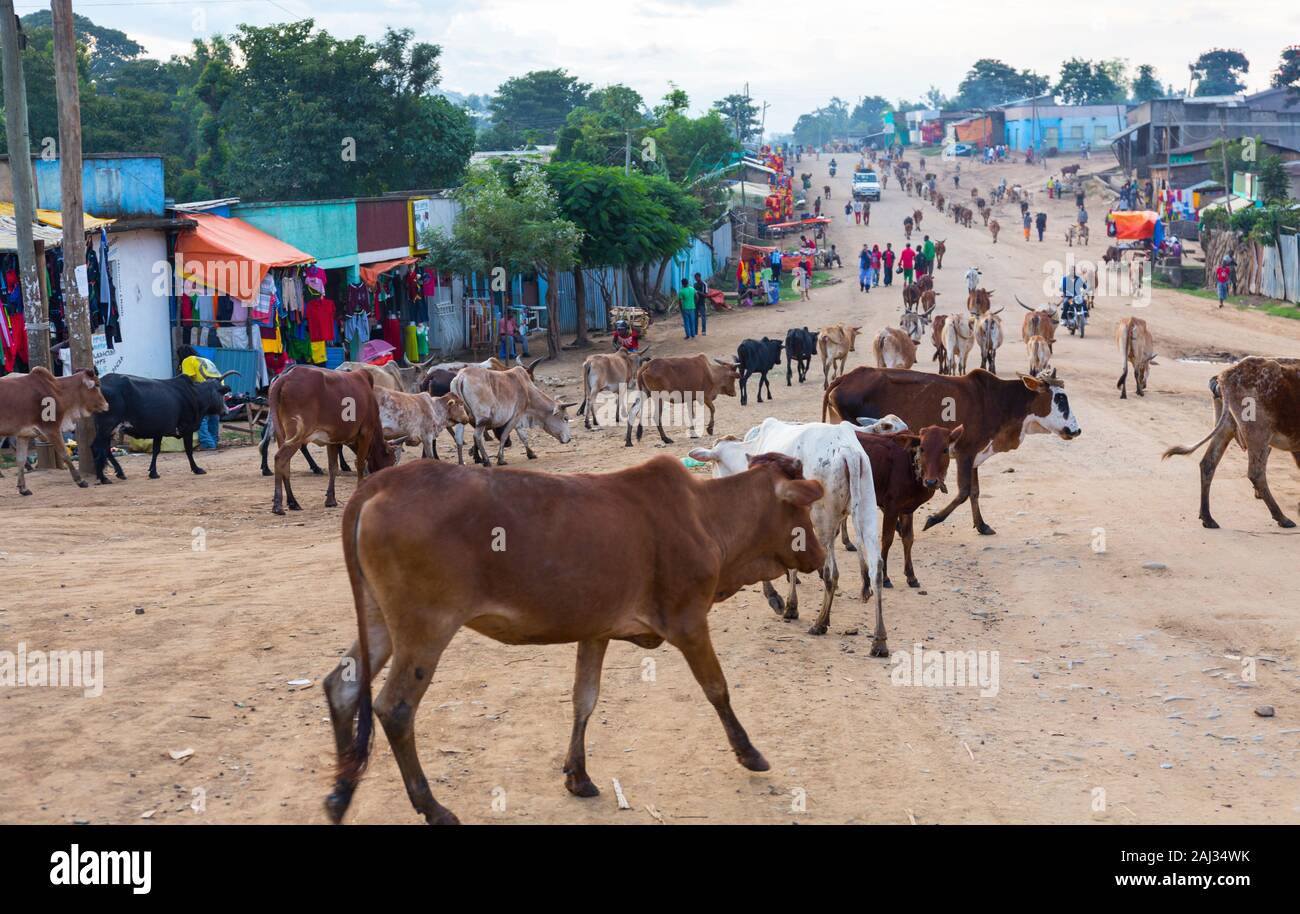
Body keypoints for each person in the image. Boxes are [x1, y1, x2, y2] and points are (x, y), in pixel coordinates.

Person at [178, 344, 222, 450]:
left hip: (204, 391)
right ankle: (214, 442)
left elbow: (187, 380)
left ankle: (208, 444)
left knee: (201, 418)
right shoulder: (204, 360)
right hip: (218, 389)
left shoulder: (187, 360)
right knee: (213, 417)